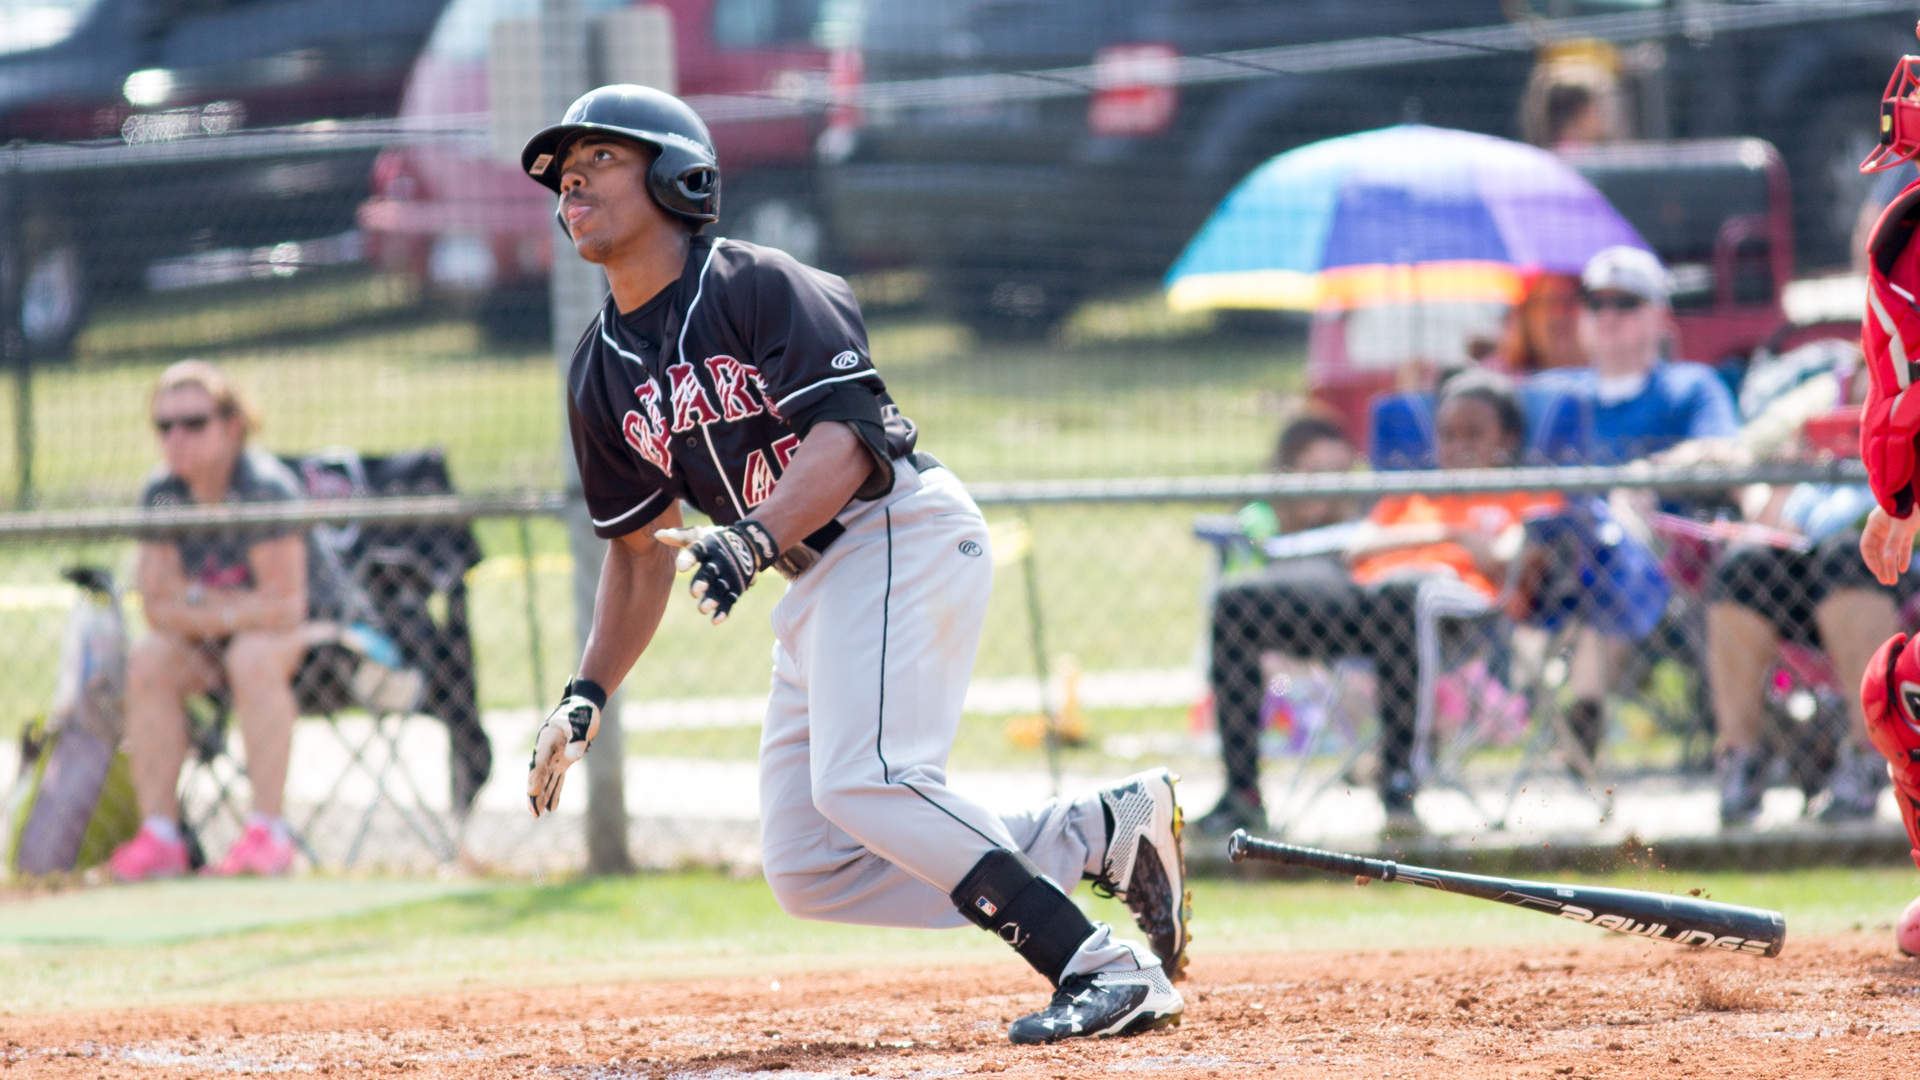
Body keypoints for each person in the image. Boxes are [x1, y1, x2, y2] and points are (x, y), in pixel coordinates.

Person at [516, 85, 1185, 1044]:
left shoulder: (757, 283)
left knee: (863, 779)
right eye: (563, 175)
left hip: (896, 530)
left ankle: (1101, 966)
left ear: (677, 177)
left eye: (600, 160)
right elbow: (636, 552)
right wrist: (586, 693)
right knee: (811, 865)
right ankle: (1098, 832)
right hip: (817, 578)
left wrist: (750, 539)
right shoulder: (599, 369)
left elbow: (848, 440)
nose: (572, 184)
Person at [1208, 371, 1561, 834]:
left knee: (1405, 593)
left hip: (1457, 613)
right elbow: (1357, 549)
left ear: (1508, 439)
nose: (1458, 446)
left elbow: (1505, 557)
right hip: (1368, 600)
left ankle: (1399, 785)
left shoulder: (1529, 497)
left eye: (1475, 433)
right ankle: (1242, 795)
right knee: (1238, 601)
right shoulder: (1415, 495)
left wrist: (1431, 541)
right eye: (1448, 434)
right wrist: (1454, 534)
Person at [107, 361, 355, 881]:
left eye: (194, 423)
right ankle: (161, 837)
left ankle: (269, 834)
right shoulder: (162, 493)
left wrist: (197, 601)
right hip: (221, 644)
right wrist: (234, 608)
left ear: (232, 426)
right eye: (164, 426)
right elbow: (156, 608)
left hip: (326, 643)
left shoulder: (263, 486)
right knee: (150, 657)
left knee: (252, 653)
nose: (177, 437)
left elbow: (285, 607)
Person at [1194, 415, 1361, 835]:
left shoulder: (1354, 526)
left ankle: (1380, 773)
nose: (1326, 486)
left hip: (1338, 640)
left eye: (1338, 474)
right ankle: (1244, 796)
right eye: (1315, 473)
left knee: (1351, 686)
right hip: (1271, 639)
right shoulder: (1262, 519)